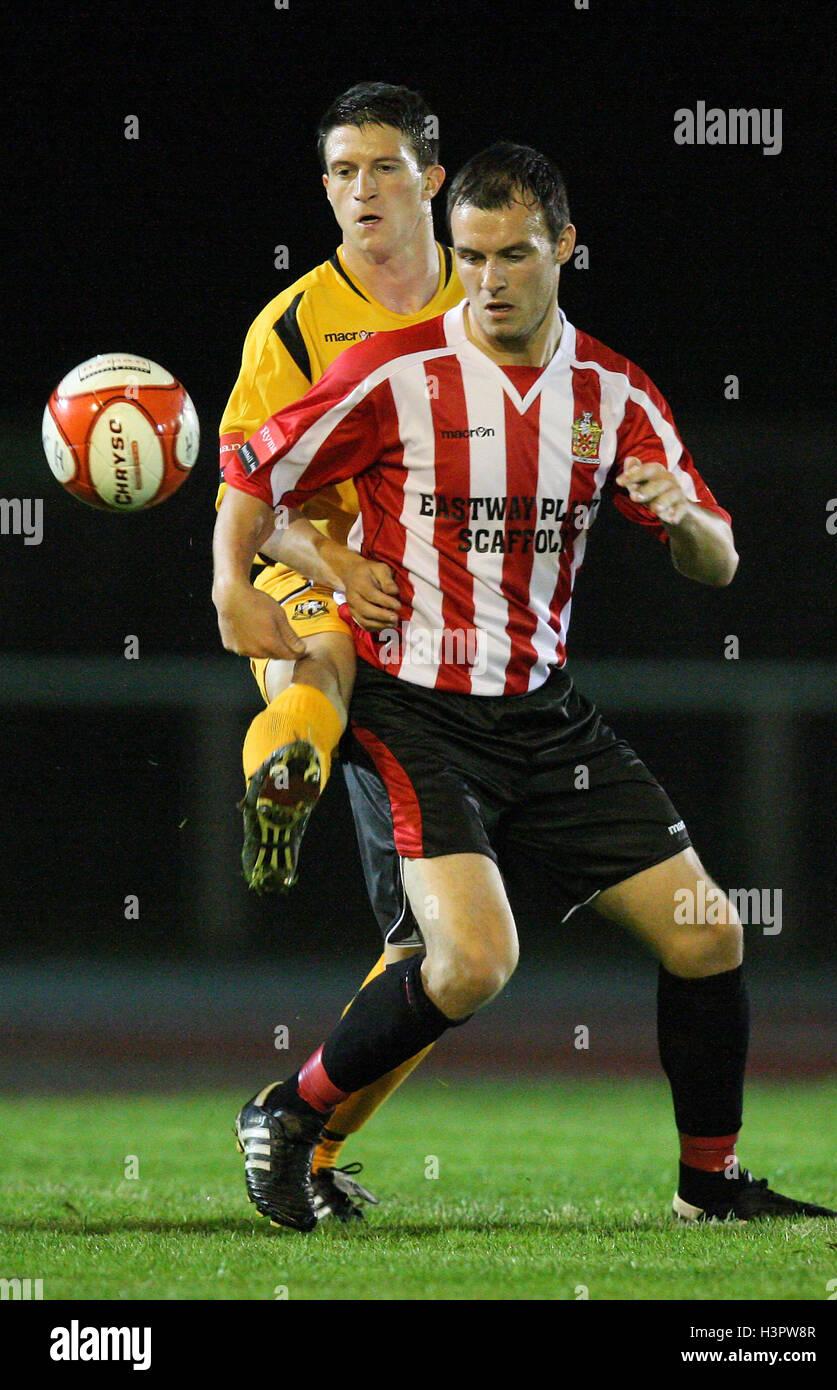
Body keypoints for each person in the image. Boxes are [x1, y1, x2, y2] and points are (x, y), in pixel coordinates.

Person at [214, 142, 837, 1232]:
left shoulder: (612, 392)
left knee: (707, 933)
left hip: (546, 714)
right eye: (469, 256)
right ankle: (286, 1110)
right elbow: (250, 475)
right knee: (472, 960)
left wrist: (684, 517)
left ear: (563, 245)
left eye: (513, 254)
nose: (489, 279)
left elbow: (719, 561)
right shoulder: (391, 373)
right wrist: (248, 583)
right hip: (414, 707)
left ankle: (709, 1186)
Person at [216, 82, 464, 1220]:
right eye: (338, 172)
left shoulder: (489, 297)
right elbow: (247, 493)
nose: (358, 190)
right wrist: (282, 569)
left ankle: (305, 1141)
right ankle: (290, 765)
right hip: (313, 578)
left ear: (432, 178)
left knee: (438, 949)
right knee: (315, 664)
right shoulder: (293, 323)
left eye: (380, 168)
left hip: (442, 633)